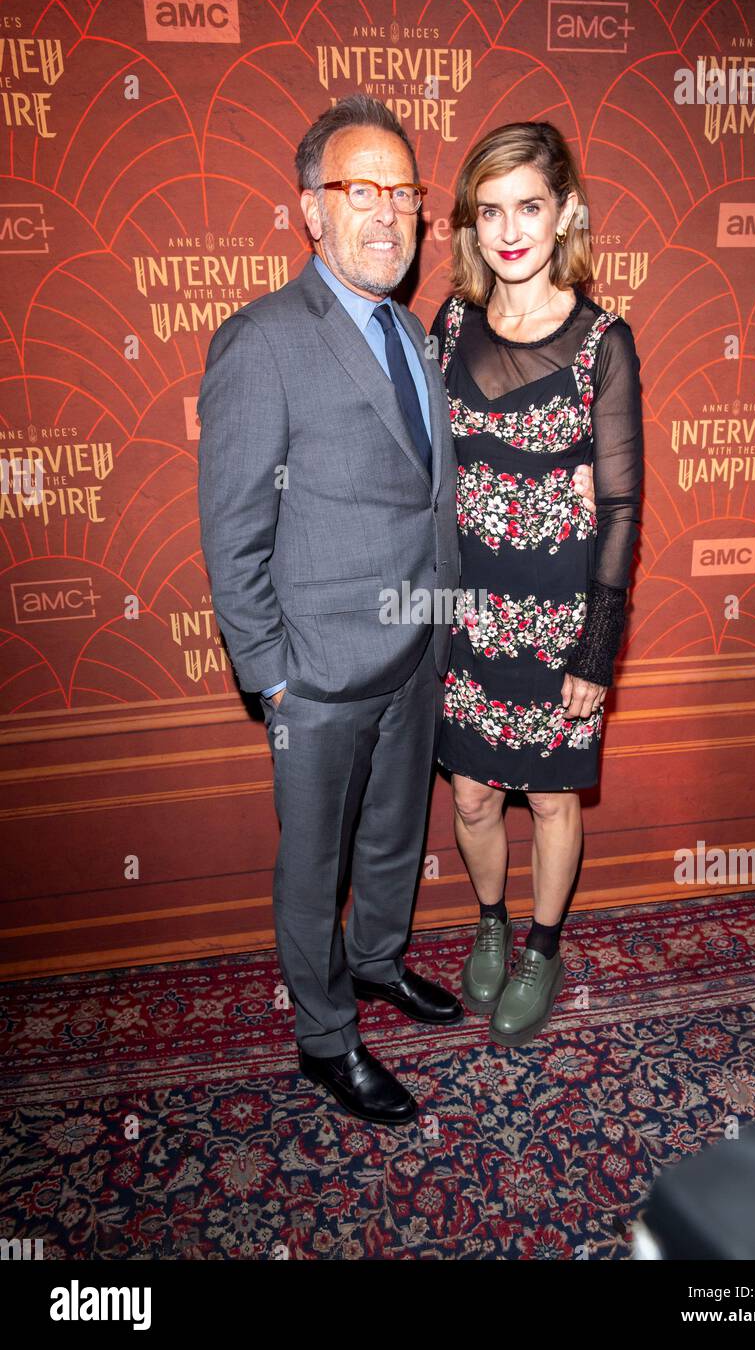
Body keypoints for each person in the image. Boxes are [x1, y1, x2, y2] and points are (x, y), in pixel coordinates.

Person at [197, 96, 469, 1127]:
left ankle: (379, 963)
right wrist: (270, 674)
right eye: (363, 191)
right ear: (310, 209)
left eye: (404, 194)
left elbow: (424, 492)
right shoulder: (260, 340)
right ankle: (323, 1038)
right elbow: (231, 527)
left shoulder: (413, 331)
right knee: (312, 865)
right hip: (313, 670)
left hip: (413, 650)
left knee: (395, 836)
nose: (389, 215)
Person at [429, 121, 644, 1047]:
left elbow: (624, 505)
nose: (510, 229)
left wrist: (599, 646)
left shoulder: (603, 343)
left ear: (564, 214)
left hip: (563, 618)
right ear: (471, 223)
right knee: (472, 796)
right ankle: (491, 922)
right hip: (469, 613)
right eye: (490, 210)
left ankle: (545, 948)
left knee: (552, 798)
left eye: (529, 206)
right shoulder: (449, 325)